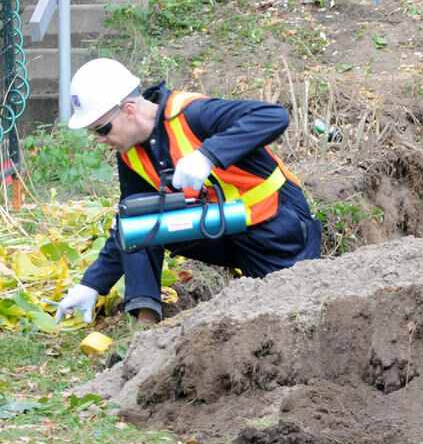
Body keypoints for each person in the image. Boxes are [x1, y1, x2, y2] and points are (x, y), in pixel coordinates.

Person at [55, 58, 323, 327]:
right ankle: (147, 329)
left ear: (128, 110)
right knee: (136, 217)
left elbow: (273, 116)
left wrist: (208, 155)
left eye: (102, 129)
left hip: (274, 225)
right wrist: (92, 283)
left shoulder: (190, 114)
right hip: (221, 227)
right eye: (94, 133)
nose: (101, 139)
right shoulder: (130, 153)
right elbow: (130, 225)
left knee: (291, 314)